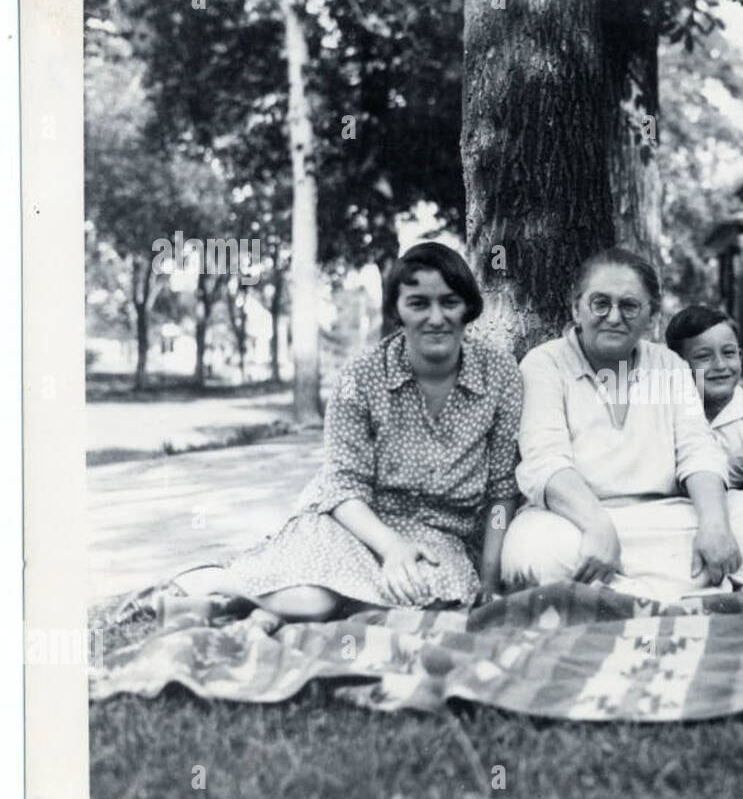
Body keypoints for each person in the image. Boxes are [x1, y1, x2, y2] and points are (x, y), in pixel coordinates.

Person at [164, 241, 523, 626]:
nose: (436, 318)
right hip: (354, 522)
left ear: (468, 306)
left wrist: (489, 583)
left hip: (439, 538)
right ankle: (219, 586)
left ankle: (234, 606)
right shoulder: (361, 376)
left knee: (425, 606)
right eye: (419, 303)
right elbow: (342, 486)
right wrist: (391, 548)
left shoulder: (499, 375)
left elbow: (501, 493)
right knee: (312, 601)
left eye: (449, 302)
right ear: (397, 311)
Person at [500, 250, 743, 601]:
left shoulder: (669, 365)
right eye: (600, 303)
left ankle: (613, 598)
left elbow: (699, 449)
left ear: (651, 318)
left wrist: (713, 523)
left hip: (663, 519)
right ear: (575, 309)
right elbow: (545, 461)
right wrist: (598, 527)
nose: (614, 317)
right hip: (576, 521)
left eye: (629, 306)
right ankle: (684, 596)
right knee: (530, 548)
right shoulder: (545, 364)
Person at [664, 305, 743, 526]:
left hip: (729, 522)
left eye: (728, 353)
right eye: (703, 357)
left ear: (740, 355)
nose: (720, 366)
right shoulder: (662, 410)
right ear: (676, 364)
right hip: (670, 515)